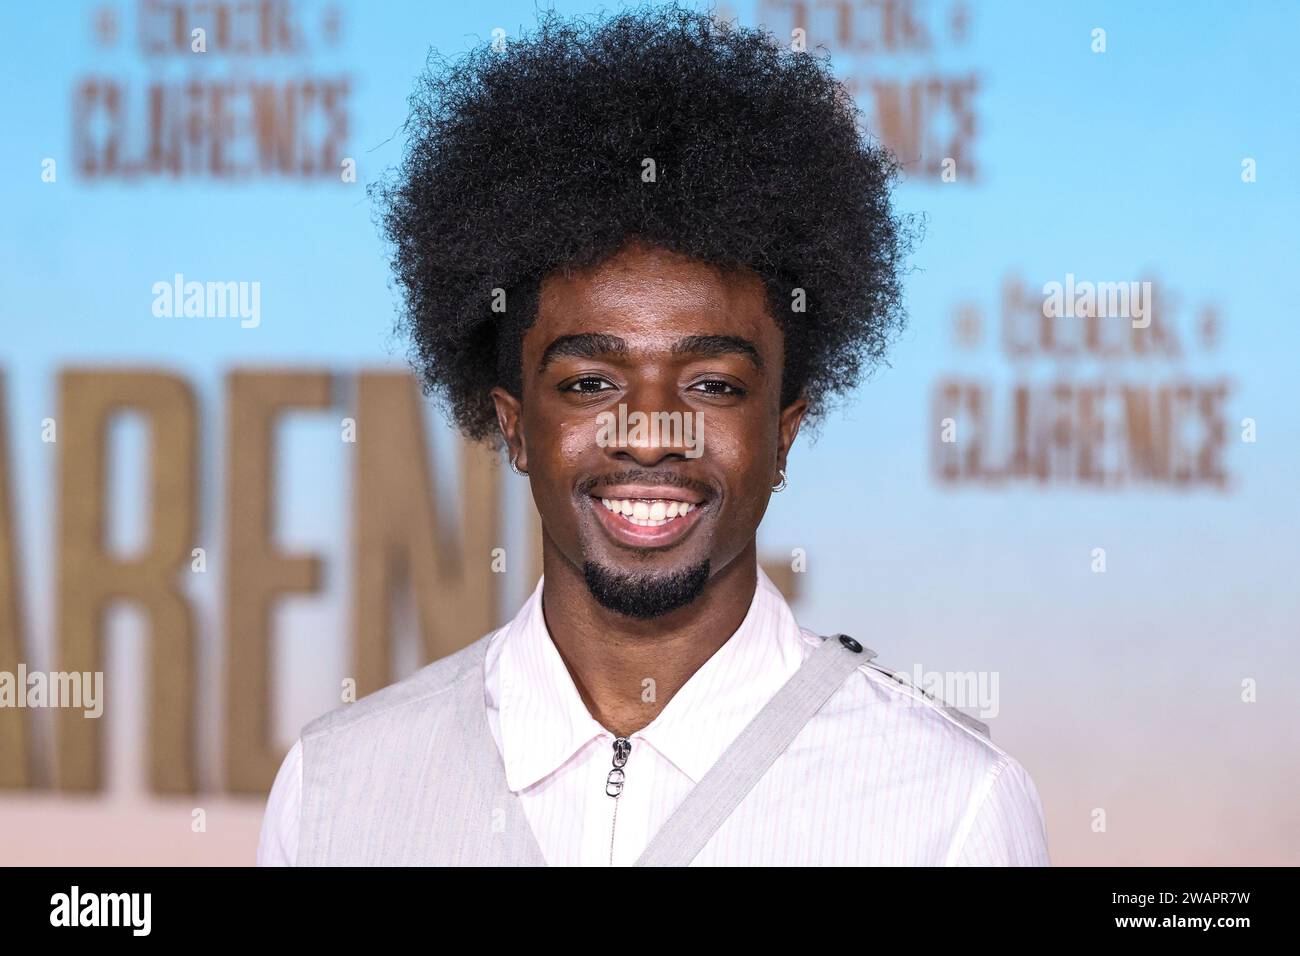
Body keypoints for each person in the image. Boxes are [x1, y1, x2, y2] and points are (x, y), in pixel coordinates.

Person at [257, 3, 1049, 866]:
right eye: (590, 382)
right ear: (515, 426)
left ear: (784, 431)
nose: (649, 431)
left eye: (713, 383)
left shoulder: (948, 806)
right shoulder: (339, 788)